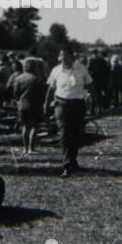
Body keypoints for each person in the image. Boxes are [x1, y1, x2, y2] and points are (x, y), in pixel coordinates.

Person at [45, 47, 92, 177]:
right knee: (64, 134)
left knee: (76, 134)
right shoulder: (56, 70)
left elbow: (90, 85)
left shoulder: (81, 69)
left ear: (72, 56)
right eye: (61, 55)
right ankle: (66, 164)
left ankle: (73, 160)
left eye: (65, 55)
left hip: (78, 104)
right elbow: (50, 88)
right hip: (61, 104)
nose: (62, 58)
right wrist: (46, 104)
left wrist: (93, 101)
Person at [8, 60, 46, 154]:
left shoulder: (18, 78)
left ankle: (25, 148)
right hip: (34, 105)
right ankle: (31, 148)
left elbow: (15, 92)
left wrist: (18, 100)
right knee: (34, 126)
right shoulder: (37, 79)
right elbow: (42, 94)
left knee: (25, 127)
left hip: (22, 105)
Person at [86, 49, 111, 115]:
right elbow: (106, 69)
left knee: (93, 95)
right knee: (100, 94)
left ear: (92, 53)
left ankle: (92, 110)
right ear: (97, 53)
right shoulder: (102, 59)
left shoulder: (91, 59)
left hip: (93, 80)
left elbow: (88, 69)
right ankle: (100, 109)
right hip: (101, 80)